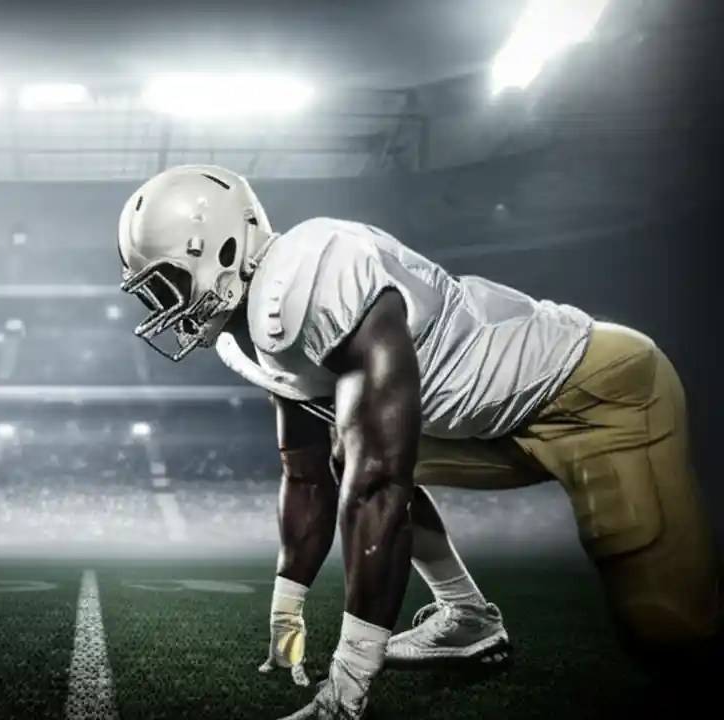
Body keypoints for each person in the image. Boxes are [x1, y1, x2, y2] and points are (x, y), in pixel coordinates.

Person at [115, 163, 719, 718]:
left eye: (165, 284)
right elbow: (305, 475)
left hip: (597, 393)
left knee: (668, 632)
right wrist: (286, 607)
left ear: (222, 247)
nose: (162, 308)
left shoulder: (317, 275)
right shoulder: (249, 332)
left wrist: (348, 679)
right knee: (345, 450)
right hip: (490, 425)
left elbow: (377, 485)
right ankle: (468, 618)